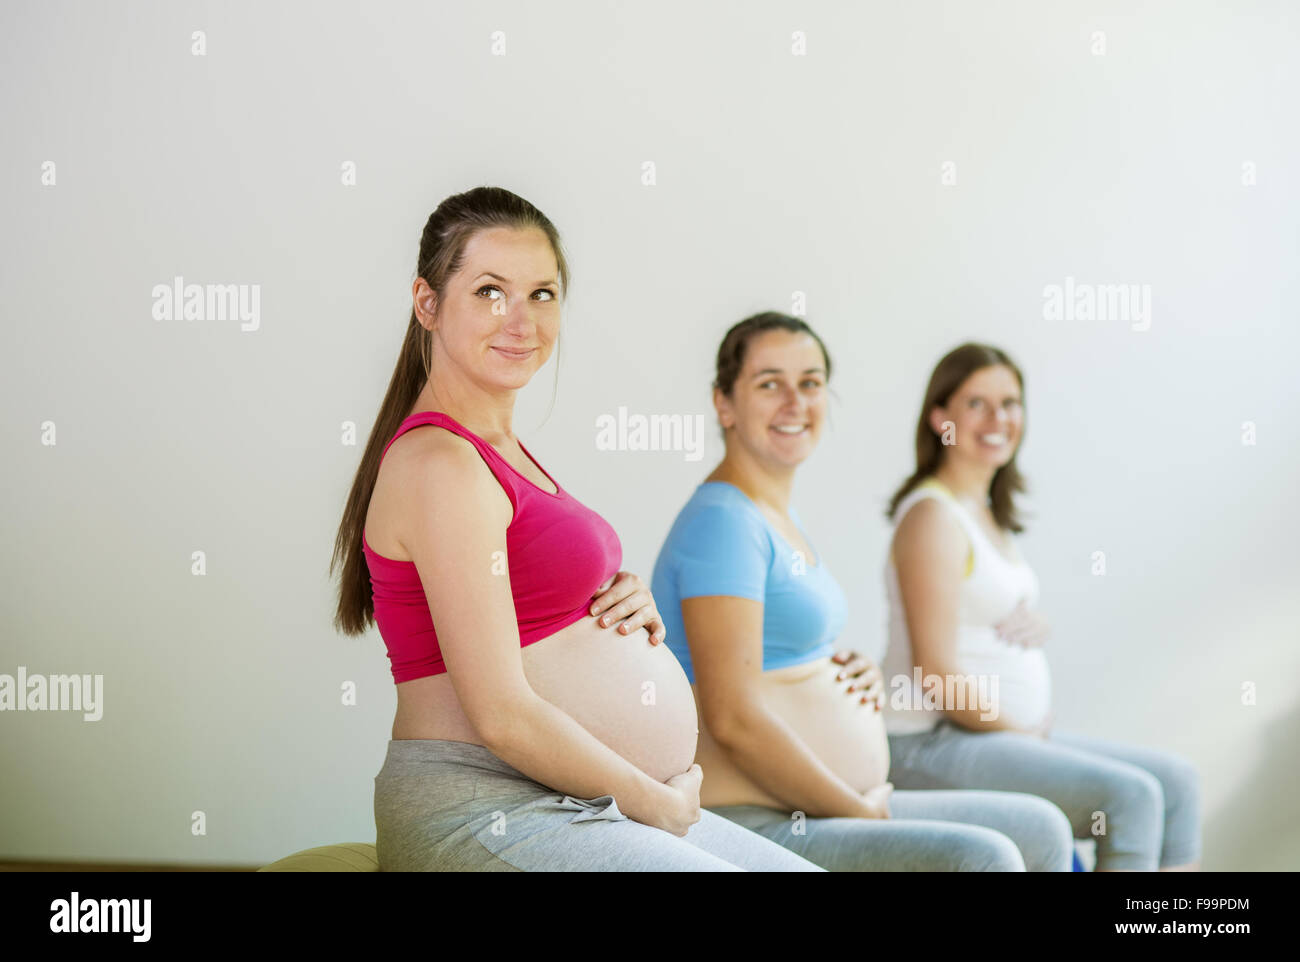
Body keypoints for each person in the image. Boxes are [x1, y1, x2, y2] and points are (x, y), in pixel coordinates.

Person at [330, 187, 820, 871]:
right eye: (490, 291)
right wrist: (652, 800)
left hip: (568, 797)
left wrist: (621, 603)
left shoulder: (499, 451)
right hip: (481, 808)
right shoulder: (439, 464)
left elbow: (537, 615)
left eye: (543, 293)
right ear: (428, 303)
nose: (521, 319)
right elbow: (500, 713)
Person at [650, 312, 1075, 871]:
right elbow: (733, 717)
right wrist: (855, 808)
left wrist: (843, 672)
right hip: (758, 814)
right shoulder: (724, 523)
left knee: (1042, 829)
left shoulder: (775, 514)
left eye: (810, 383)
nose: (795, 402)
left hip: (825, 799)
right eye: (769, 383)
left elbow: (778, 660)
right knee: (985, 858)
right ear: (724, 403)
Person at [881, 342, 1202, 871]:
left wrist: (1033, 621)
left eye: (1009, 403)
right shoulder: (932, 517)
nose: (998, 418)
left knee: (1179, 784)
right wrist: (1020, 729)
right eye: (976, 403)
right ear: (940, 418)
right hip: (929, 742)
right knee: (1132, 798)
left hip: (991, 733)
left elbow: (979, 611)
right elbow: (934, 672)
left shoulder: (985, 513)